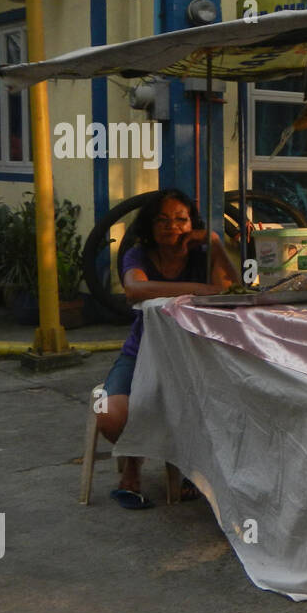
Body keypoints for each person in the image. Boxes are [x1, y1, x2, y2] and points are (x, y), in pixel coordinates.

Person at [95, 189, 235, 510]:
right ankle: (134, 465)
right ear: (150, 226)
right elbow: (135, 288)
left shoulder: (203, 256)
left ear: (192, 224)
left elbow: (228, 290)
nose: (172, 226)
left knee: (214, 407)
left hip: (194, 355)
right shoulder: (138, 255)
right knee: (109, 415)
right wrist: (197, 289)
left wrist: (215, 242)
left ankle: (191, 467)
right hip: (140, 353)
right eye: (162, 220)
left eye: (181, 219)